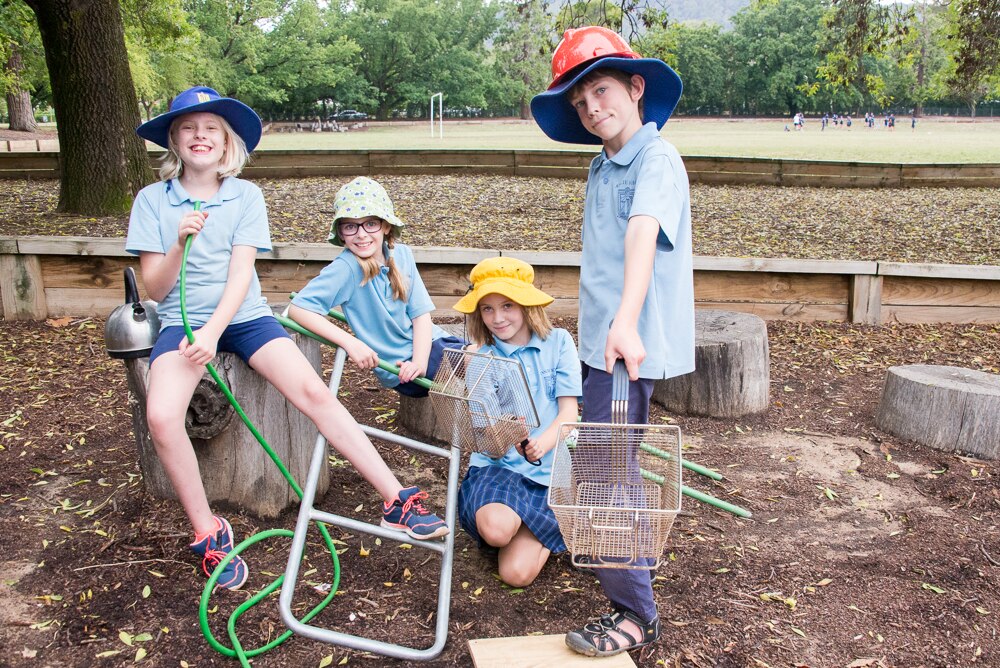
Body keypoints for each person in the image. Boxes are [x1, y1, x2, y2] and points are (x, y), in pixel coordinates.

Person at [126, 87, 448, 592]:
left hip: (244, 316)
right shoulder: (152, 200)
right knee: (162, 417)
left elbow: (240, 277)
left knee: (314, 392)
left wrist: (215, 332)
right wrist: (176, 243)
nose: (200, 136)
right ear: (173, 138)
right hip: (182, 324)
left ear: (227, 141)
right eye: (188, 127)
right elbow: (157, 288)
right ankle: (209, 532)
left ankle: (396, 500)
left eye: (211, 128)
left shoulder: (245, 196)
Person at [531, 26, 695, 657]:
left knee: (603, 471)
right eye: (579, 102)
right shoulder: (604, 163)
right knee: (607, 466)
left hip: (626, 346)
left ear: (635, 88)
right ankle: (622, 575)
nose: (592, 107)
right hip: (603, 344)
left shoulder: (657, 160)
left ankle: (635, 614)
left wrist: (624, 322)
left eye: (601, 91)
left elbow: (642, 234)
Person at [451, 257, 581, 588]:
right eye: (487, 309)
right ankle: (524, 520)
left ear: (526, 304)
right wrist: (504, 433)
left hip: (549, 472)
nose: (498, 318)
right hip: (499, 469)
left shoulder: (559, 342)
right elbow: (487, 439)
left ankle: (544, 520)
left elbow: (569, 413)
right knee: (496, 531)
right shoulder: (482, 356)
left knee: (516, 576)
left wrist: (541, 443)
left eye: (507, 305)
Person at [288, 176, 465, 397]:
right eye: (351, 226)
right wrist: (351, 343)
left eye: (370, 223)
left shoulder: (402, 254)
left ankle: (509, 427)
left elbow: (420, 316)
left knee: (492, 360)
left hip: (428, 348)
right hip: (401, 367)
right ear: (341, 233)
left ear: (386, 226)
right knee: (485, 364)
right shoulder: (347, 268)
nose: (361, 234)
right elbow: (299, 308)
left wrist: (419, 361)